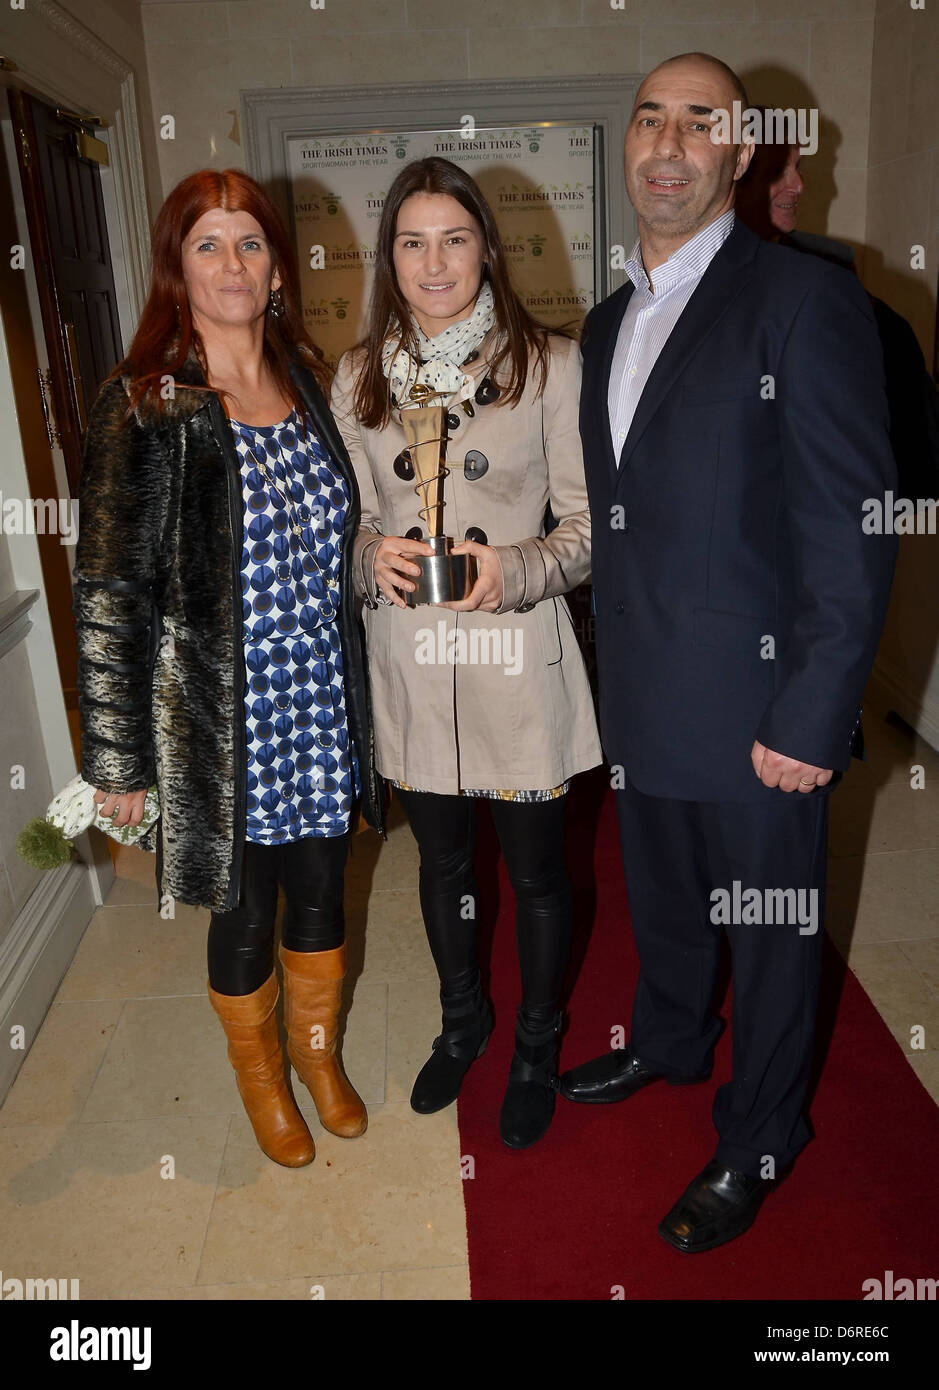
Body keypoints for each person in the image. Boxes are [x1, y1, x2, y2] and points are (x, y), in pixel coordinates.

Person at [563, 53, 898, 1250]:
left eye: (698, 122)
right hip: (645, 698)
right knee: (664, 904)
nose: (667, 142)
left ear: (742, 151)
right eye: (649, 117)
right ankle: (665, 1042)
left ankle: (761, 1135)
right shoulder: (606, 325)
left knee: (770, 937)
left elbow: (849, 527)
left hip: (763, 714)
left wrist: (813, 715)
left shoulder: (807, 299)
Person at [73, 168, 384, 1169]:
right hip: (221, 720)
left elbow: (337, 533)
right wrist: (116, 760)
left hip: (322, 701)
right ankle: (263, 1082)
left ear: (279, 265)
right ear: (176, 270)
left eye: (249, 241)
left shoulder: (307, 377)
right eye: (207, 244)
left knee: (325, 894)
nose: (232, 263)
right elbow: (112, 592)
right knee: (245, 912)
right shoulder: (147, 405)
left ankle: (318, 1052)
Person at [330, 157, 602, 1149]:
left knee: (537, 874)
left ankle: (536, 1042)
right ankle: (464, 1022)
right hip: (410, 664)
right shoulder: (357, 375)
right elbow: (345, 528)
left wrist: (517, 570)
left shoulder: (552, 366)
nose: (433, 262)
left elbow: (587, 529)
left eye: (453, 238)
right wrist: (370, 557)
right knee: (444, 862)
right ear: (389, 258)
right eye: (412, 241)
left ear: (488, 246)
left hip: (516, 669)